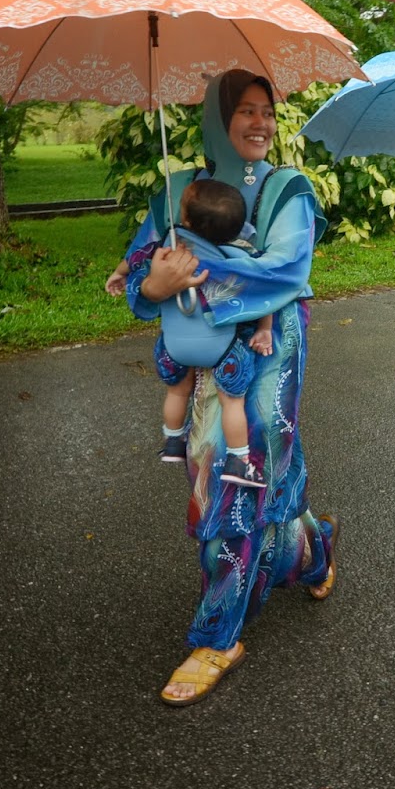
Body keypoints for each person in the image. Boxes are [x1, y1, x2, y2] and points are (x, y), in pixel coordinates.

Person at [112, 69, 336, 707]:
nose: (260, 123)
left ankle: (219, 633)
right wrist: (151, 288)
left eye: (268, 111)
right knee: (222, 478)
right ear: (217, 118)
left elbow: (284, 272)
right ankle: (312, 550)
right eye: (244, 110)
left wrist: (191, 273)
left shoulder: (289, 190)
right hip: (200, 353)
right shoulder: (176, 191)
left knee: (238, 478)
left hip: (269, 348)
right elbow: (141, 274)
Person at [148, 179, 274, 485]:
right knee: (232, 401)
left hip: (174, 345)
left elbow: (144, 270)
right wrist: (265, 329)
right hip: (220, 347)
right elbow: (264, 293)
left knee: (177, 389)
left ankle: (173, 441)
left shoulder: (168, 250)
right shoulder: (240, 259)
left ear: (187, 221)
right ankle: (238, 460)